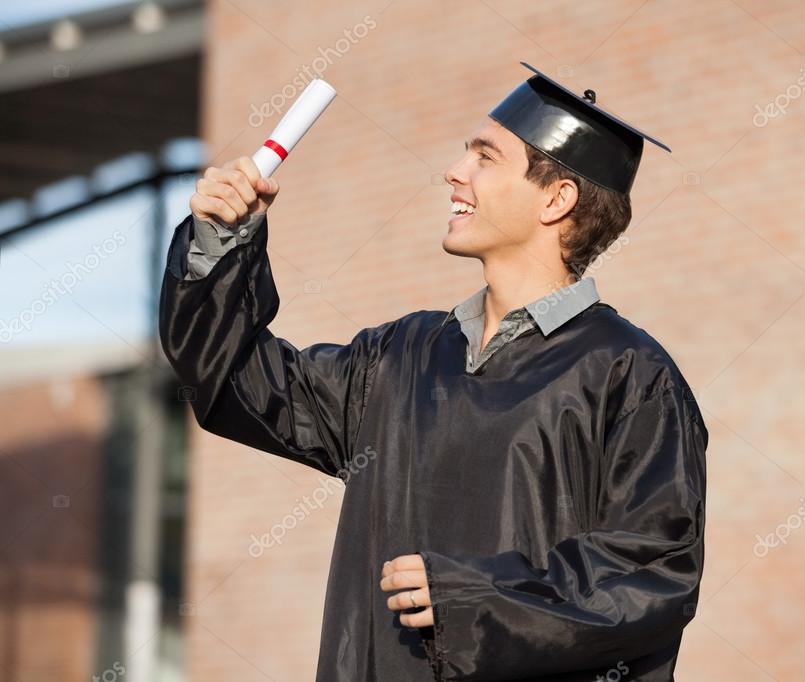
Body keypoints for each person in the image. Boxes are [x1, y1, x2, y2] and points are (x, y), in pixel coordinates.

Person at [159, 62, 709, 681]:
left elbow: (651, 576)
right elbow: (232, 377)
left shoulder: (629, 377)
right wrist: (220, 240)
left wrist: (468, 598)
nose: (455, 171)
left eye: (485, 158)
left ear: (557, 199)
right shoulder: (400, 357)